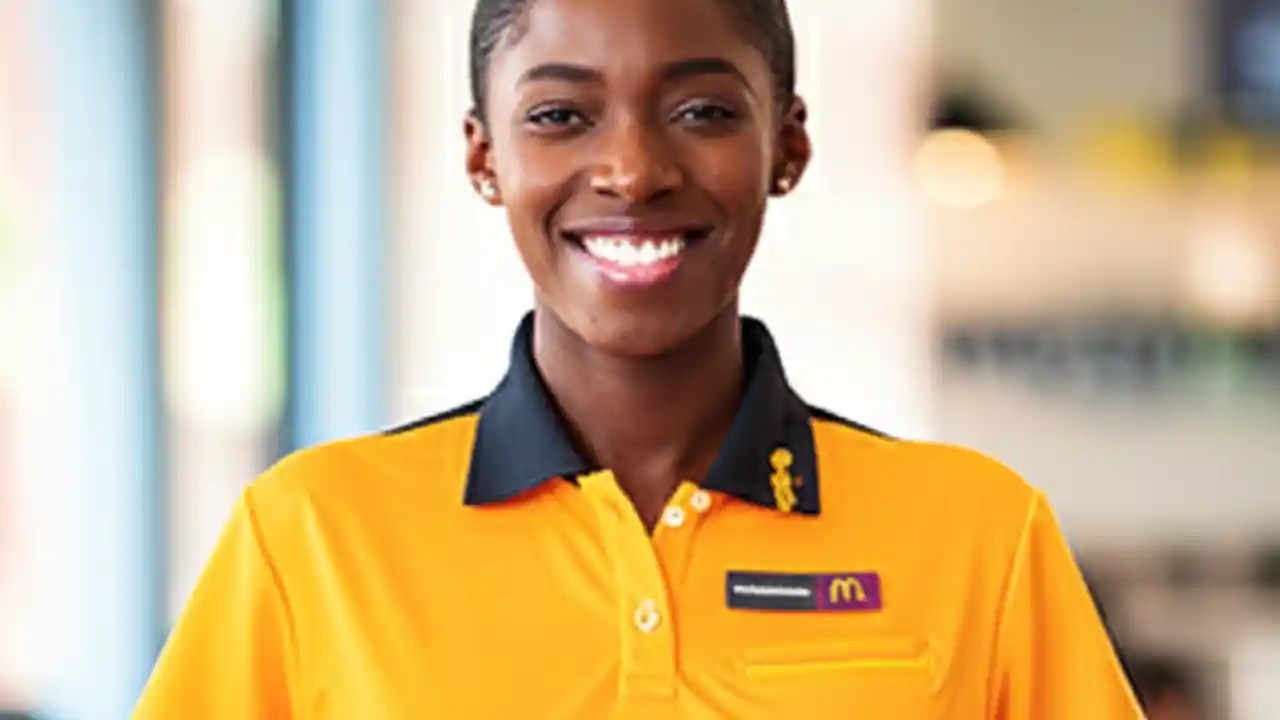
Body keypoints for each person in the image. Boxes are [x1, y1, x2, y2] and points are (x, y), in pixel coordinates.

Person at [134, 0, 1143, 717]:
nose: (631, 170)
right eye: (559, 116)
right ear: (484, 156)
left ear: (785, 148)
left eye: (700, 111)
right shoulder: (310, 535)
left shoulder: (979, 535)